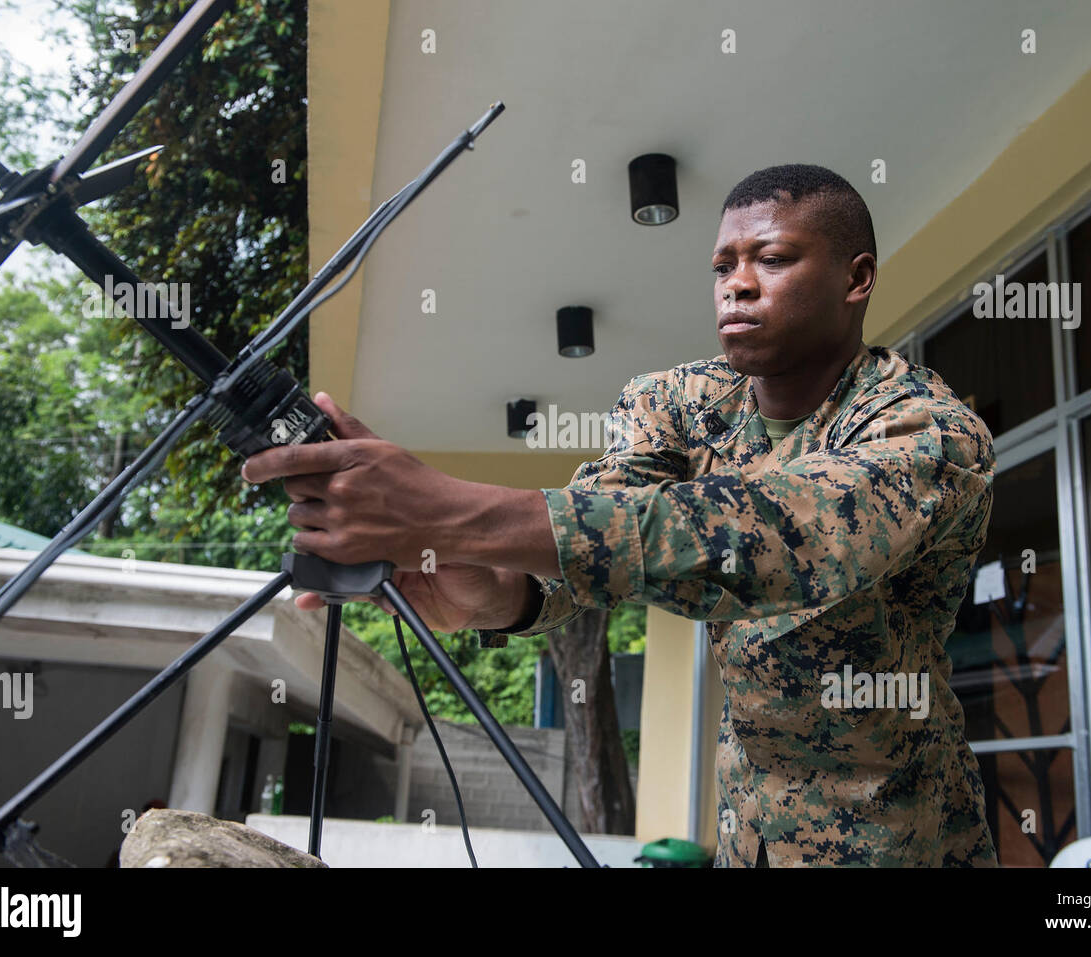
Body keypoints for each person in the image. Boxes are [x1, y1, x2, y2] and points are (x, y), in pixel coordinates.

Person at [241, 164, 998, 867]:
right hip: (751, 835)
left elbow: (770, 538)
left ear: (856, 278)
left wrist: (443, 507)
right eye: (721, 266)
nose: (737, 286)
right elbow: (599, 531)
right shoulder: (677, 403)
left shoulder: (928, 431)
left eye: (770, 259)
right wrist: (495, 586)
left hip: (900, 837)